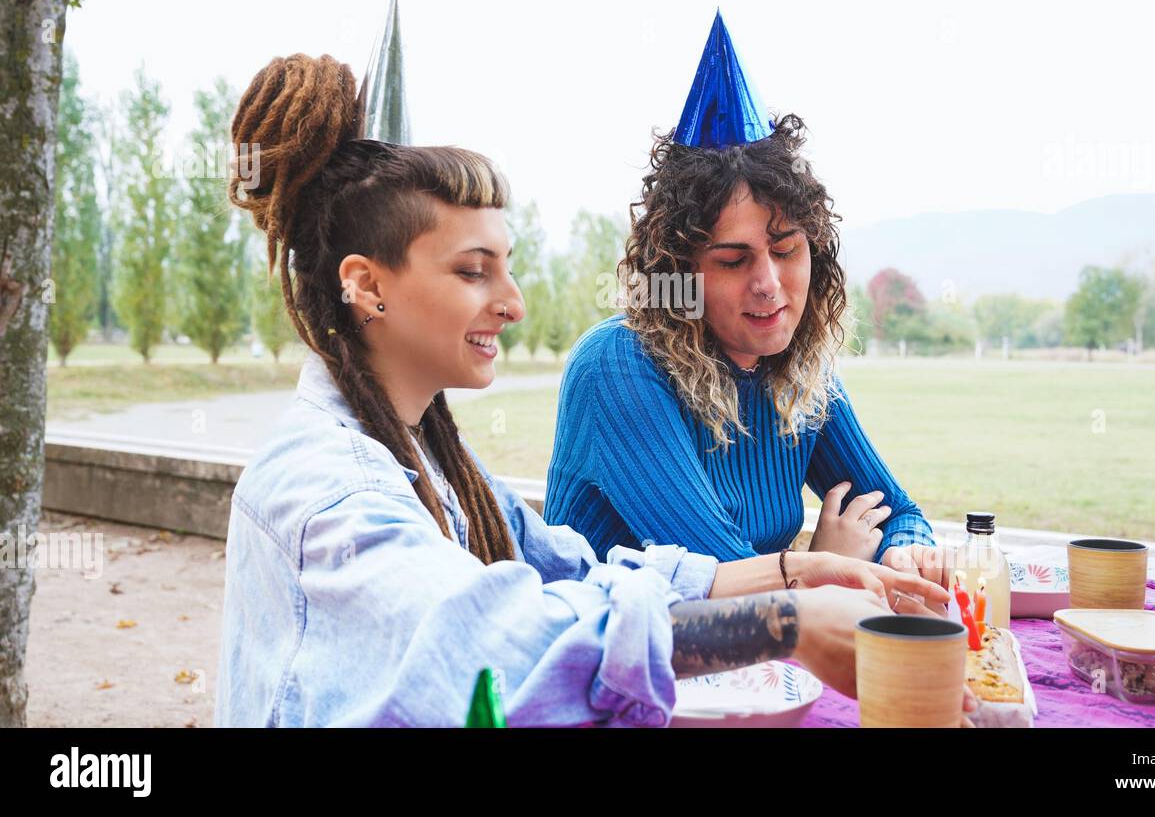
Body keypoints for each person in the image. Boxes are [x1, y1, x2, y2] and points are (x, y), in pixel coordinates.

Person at [212, 51, 965, 727]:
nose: (513, 304)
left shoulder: (428, 459)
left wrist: (798, 572)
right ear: (367, 287)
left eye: (506, 267)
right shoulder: (334, 493)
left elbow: (583, 570)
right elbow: (501, 646)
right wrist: (786, 617)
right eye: (474, 270)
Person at [544, 12, 949, 599]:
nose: (769, 283)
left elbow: (899, 513)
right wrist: (823, 566)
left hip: (751, 673)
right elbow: (719, 578)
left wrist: (906, 552)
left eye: (785, 250)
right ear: (679, 271)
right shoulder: (619, 365)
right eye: (733, 262)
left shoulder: (802, 375)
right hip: (626, 669)